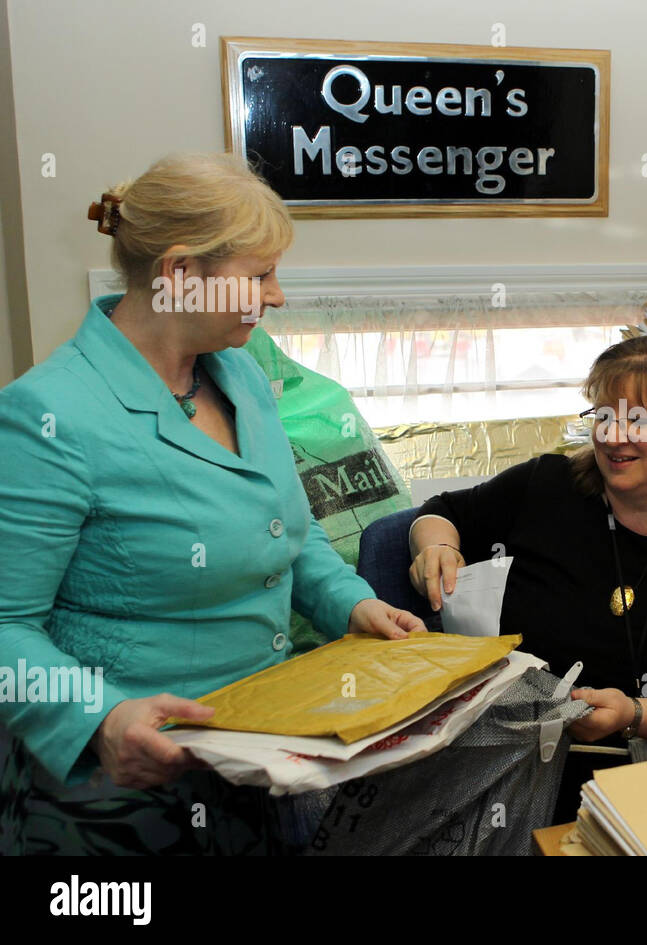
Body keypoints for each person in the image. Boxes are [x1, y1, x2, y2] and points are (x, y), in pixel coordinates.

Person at [0, 153, 427, 854]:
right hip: (113, 802)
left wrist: (350, 603)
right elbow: (6, 625)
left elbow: (288, 531)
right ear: (178, 274)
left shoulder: (242, 375)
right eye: (259, 276)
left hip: (252, 761)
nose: (278, 295)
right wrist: (100, 719)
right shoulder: (48, 415)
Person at [408, 334, 647, 818]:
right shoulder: (548, 486)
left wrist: (636, 715)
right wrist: (437, 546)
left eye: (638, 420)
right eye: (604, 415)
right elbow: (442, 511)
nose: (613, 436)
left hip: (641, 775)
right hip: (502, 761)